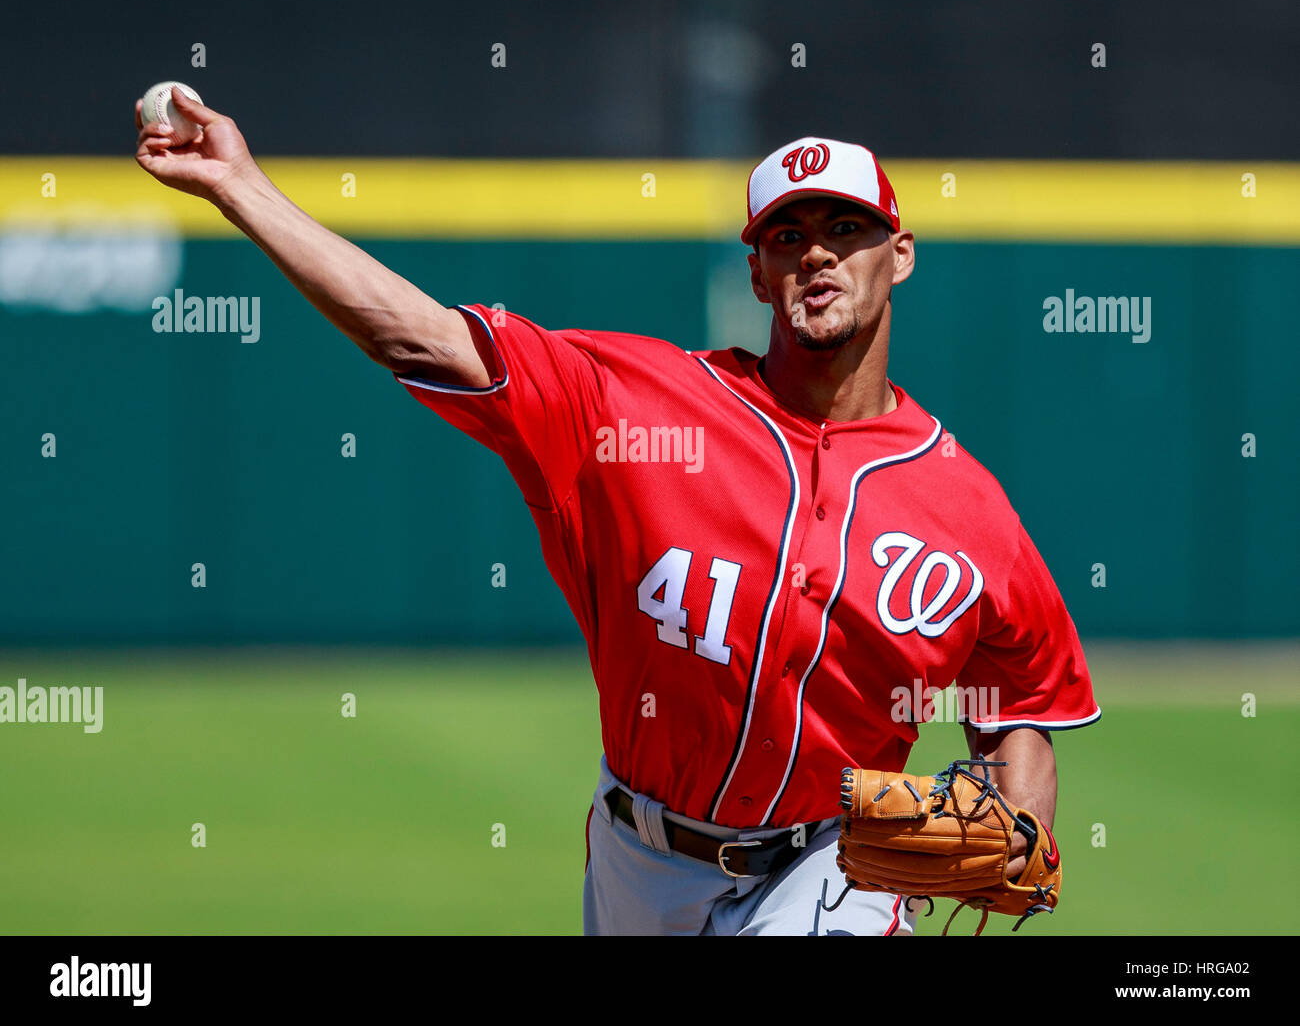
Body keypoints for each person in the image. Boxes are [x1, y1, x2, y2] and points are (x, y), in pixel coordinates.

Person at [135, 93, 1100, 936]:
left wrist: (1022, 816)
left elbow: (1022, 701)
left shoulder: (967, 508)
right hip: (639, 861)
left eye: (845, 229)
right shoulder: (631, 406)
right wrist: (242, 191)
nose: (817, 254)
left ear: (900, 254)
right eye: (787, 235)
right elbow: (416, 332)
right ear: (757, 273)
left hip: (830, 873)